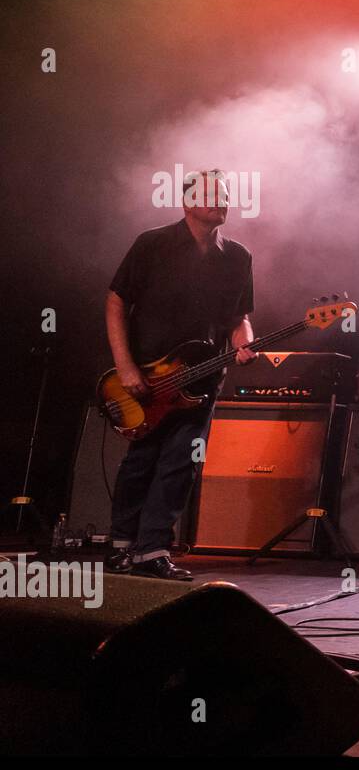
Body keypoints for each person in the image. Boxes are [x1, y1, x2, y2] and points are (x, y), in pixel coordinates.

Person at [105, 170, 256, 580]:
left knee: (181, 462)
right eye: (210, 194)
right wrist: (125, 366)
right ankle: (122, 544)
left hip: (202, 379)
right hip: (147, 373)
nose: (220, 201)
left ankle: (151, 549)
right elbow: (116, 302)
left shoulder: (238, 256)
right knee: (141, 458)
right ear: (187, 202)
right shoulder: (151, 244)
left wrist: (244, 342)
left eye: (224, 196)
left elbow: (237, 317)